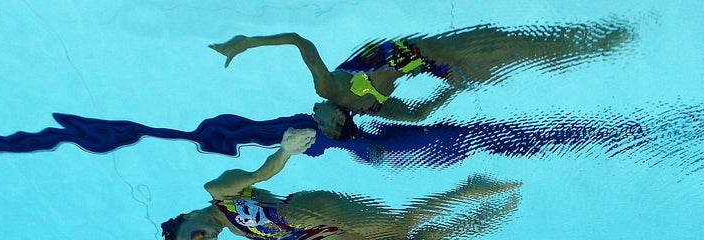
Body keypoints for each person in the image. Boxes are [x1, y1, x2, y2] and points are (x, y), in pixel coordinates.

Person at [209, 21, 633, 140]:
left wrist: (452, 86)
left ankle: (594, 46)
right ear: (334, 121)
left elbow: (418, 113)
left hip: (435, 65)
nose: (313, 118)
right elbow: (300, 40)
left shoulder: (374, 109)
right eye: (319, 123)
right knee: (512, 43)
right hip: (424, 51)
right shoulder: (329, 91)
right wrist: (245, 42)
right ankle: (597, 40)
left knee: (517, 51)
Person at [161, 126, 519, 240]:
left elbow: (258, 175)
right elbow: (287, 235)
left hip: (313, 208)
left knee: (398, 224)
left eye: (196, 236)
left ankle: (472, 187)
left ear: (186, 218)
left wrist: (284, 151)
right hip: (325, 233)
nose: (207, 239)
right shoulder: (238, 230)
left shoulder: (219, 193)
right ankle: (476, 222)